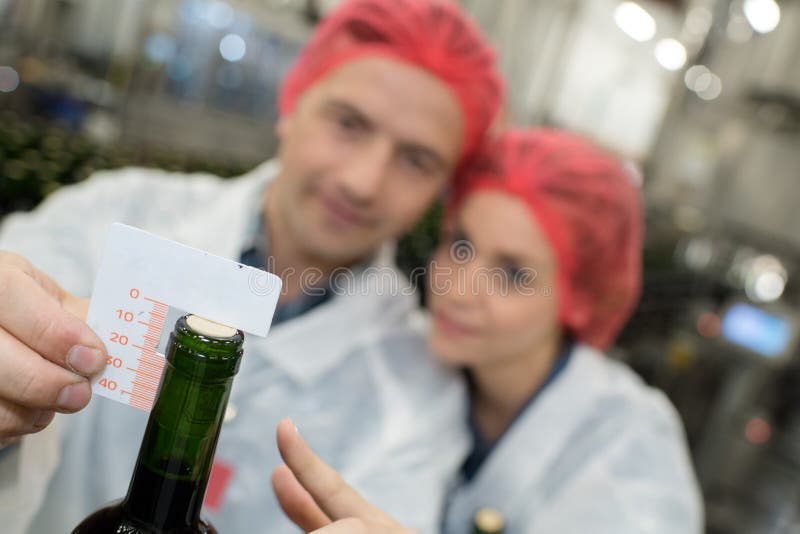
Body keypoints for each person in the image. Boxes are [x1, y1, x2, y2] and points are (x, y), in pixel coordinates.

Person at [0, 1, 503, 533]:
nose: (364, 182)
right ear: (292, 104)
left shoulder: (421, 390)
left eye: (416, 160)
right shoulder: (106, 219)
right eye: (349, 124)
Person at [269, 128, 704, 533]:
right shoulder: (406, 358)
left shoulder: (629, 445)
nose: (459, 290)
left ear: (579, 298)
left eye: (513, 275)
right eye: (461, 246)